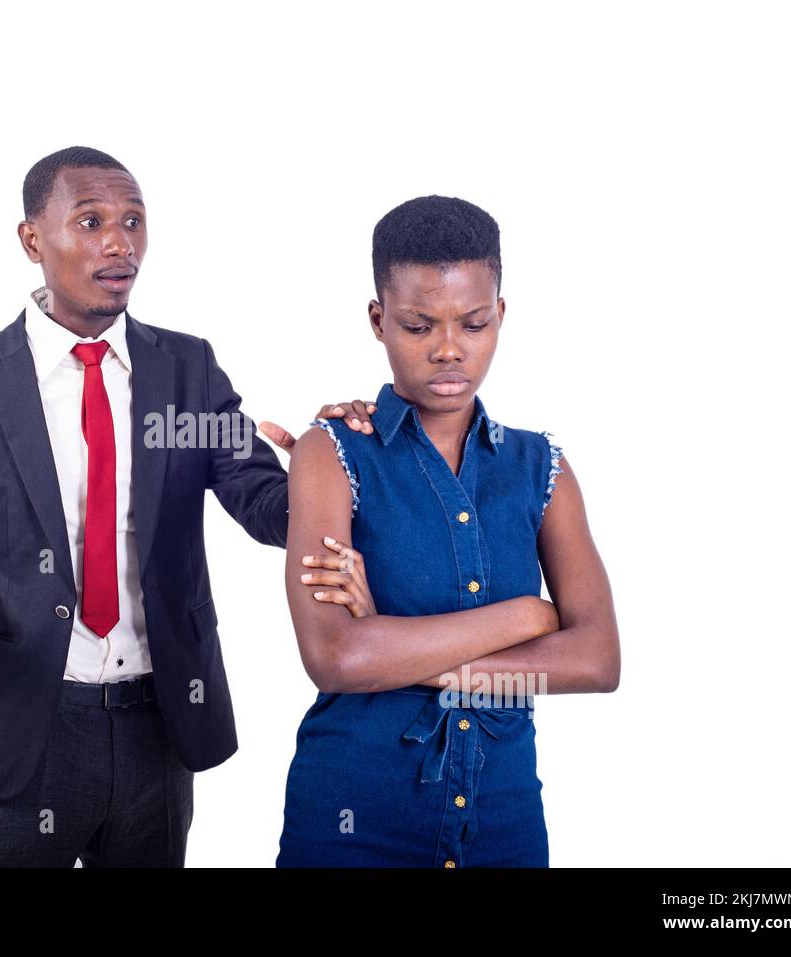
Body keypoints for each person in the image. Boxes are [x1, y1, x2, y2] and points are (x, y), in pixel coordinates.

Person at [0, 146, 376, 867]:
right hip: (22, 729)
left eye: (134, 222)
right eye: (91, 221)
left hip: (158, 726)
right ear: (31, 240)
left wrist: (324, 467)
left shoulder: (187, 367)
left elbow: (263, 502)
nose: (121, 244)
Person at [277, 195, 620, 867]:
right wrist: (528, 614)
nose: (448, 348)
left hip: (504, 819)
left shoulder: (539, 466)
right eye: (417, 324)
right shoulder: (332, 452)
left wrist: (398, 652)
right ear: (378, 320)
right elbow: (339, 658)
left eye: (473, 322)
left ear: (501, 315)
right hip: (354, 818)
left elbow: (596, 659)